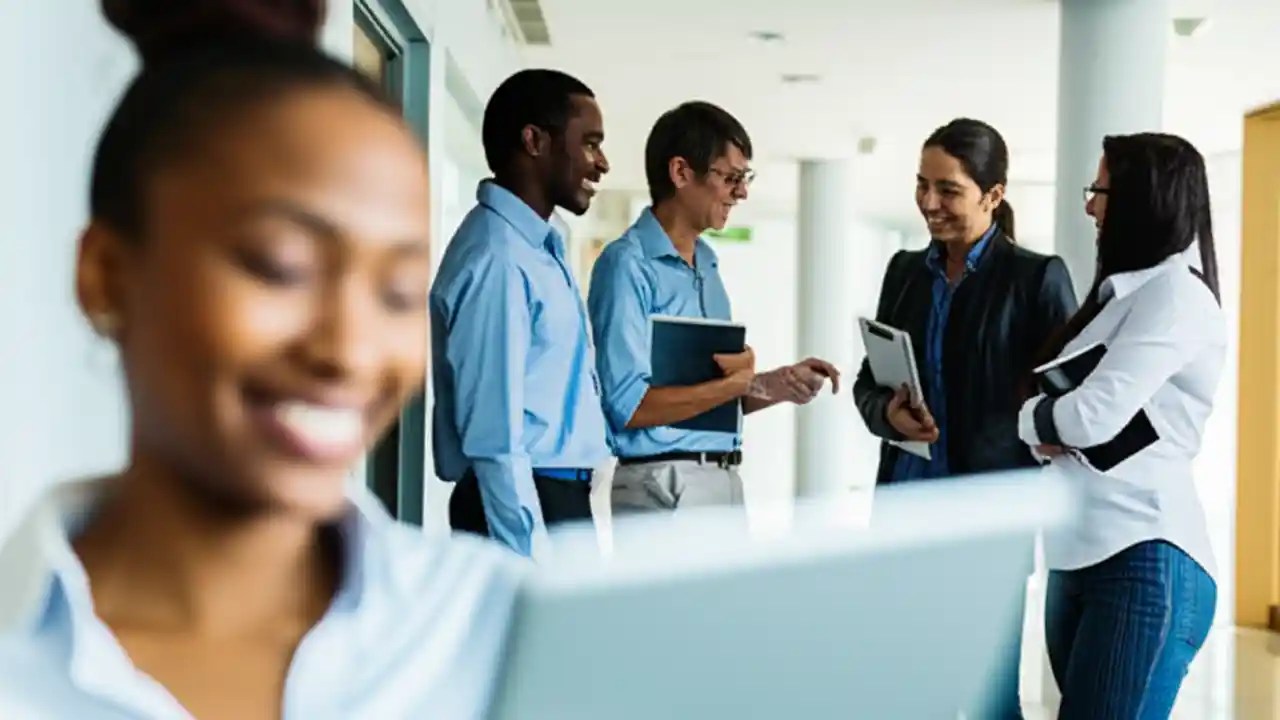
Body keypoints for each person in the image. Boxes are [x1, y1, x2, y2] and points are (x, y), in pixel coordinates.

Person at [0, 2, 522, 717]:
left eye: (398, 291)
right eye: (281, 266)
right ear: (106, 276)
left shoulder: (494, 632)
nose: (348, 350)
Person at [852, 118, 1078, 717]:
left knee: (988, 697)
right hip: (905, 509)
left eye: (948, 189)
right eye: (922, 185)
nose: (929, 203)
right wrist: (889, 415)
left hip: (987, 518)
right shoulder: (904, 272)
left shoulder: (1036, 279)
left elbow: (1070, 402)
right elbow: (867, 386)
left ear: (993, 195)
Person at [1019, 133, 1223, 718]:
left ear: (1142, 199)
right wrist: (1043, 422)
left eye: (1099, 191)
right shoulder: (1117, 299)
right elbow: (1066, 416)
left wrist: (1034, 419)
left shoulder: (1178, 296)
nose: (1089, 206)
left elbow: (1088, 416)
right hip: (1078, 554)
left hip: (1145, 556)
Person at [587, 101, 840, 513]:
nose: (741, 192)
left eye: (745, 178)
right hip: (661, 483)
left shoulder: (707, 263)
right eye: (731, 178)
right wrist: (735, 384)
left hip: (719, 479)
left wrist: (773, 384)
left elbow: (708, 397)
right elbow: (626, 405)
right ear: (681, 172)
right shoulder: (626, 265)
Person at [430, 69, 611, 556]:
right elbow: (494, 436)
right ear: (535, 141)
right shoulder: (498, 258)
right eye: (590, 144)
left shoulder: (539, 247)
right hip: (520, 507)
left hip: (553, 501)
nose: (602, 164)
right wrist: (532, 556)